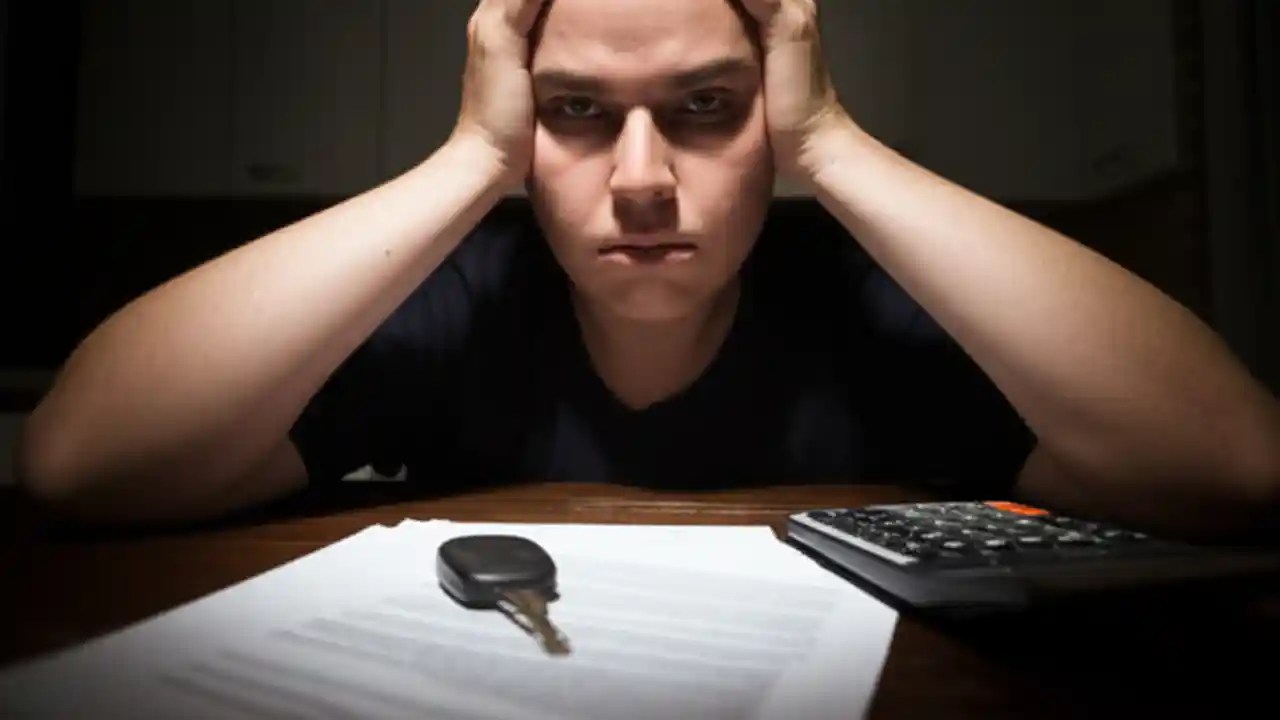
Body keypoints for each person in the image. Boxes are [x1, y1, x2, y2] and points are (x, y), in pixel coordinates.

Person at [15, 0, 1280, 538]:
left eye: (705, 105)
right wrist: (467, 161)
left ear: (770, 121)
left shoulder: (869, 311)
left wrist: (830, 146)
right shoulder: (461, 309)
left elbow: (1236, 467)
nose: (637, 176)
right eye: (572, 110)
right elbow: (79, 466)